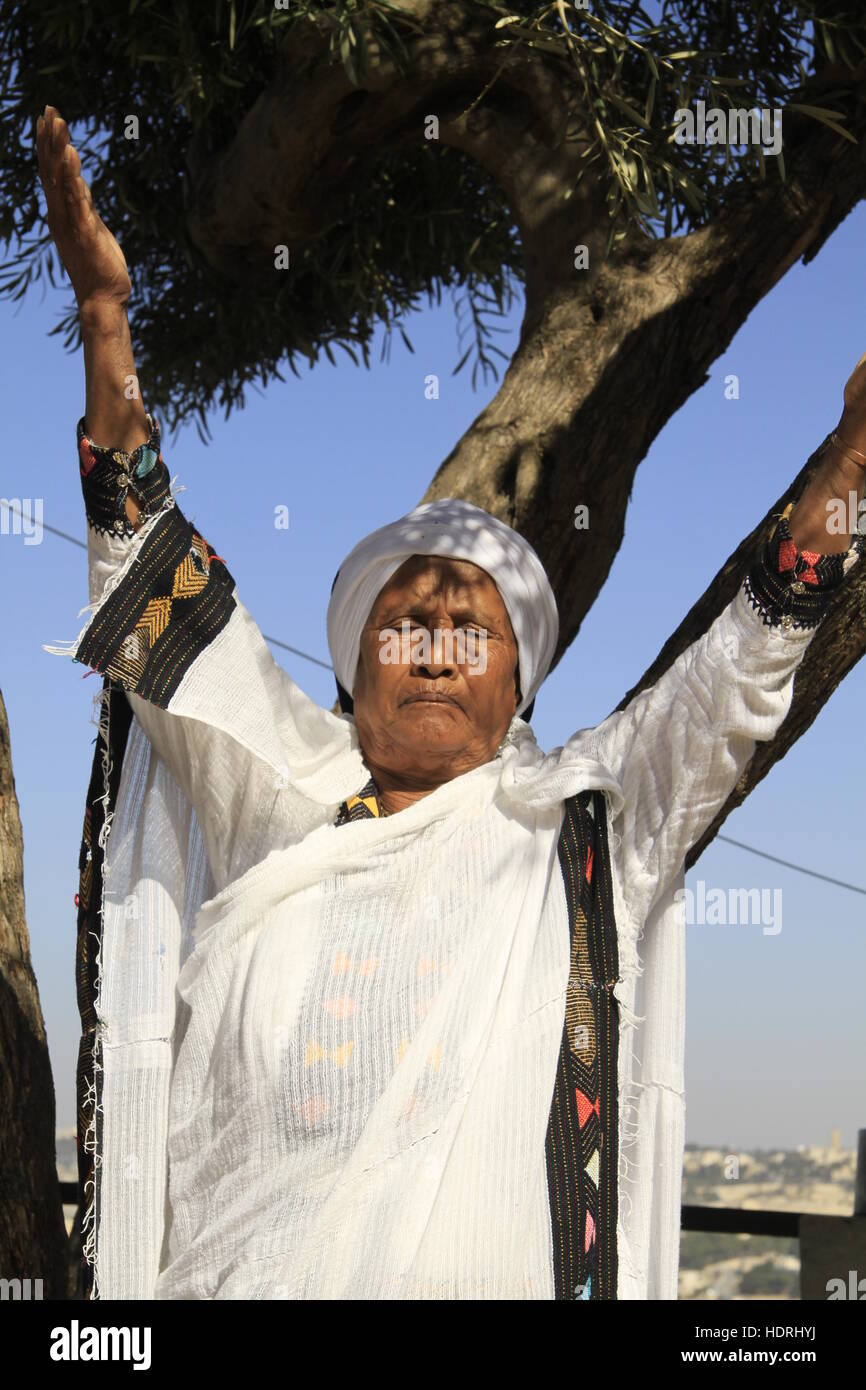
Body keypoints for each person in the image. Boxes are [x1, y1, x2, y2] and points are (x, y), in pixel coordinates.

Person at [37, 105, 866, 1301]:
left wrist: (846, 463)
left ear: (518, 678)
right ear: (355, 662)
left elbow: (739, 662)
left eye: (466, 631)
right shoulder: (275, 795)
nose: (432, 651)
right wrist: (106, 321)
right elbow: (142, 555)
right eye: (405, 626)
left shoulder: (577, 829)